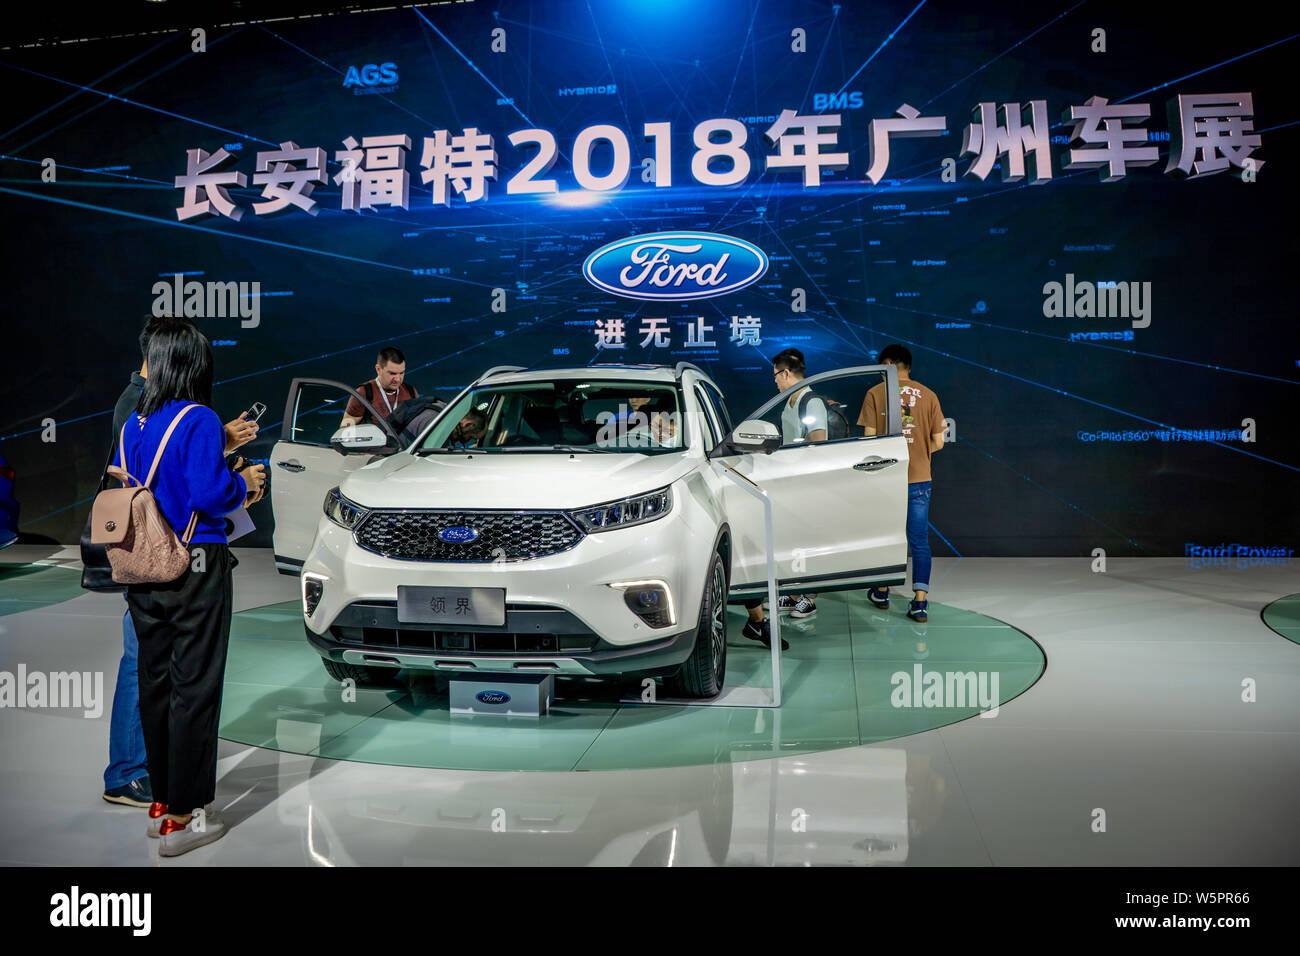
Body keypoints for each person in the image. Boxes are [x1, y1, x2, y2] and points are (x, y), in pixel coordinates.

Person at [119, 316, 265, 856]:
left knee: (155, 684)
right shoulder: (199, 417)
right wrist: (242, 485)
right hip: (196, 563)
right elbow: (209, 491)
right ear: (196, 365)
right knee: (195, 688)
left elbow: (133, 479)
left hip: (144, 567)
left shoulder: (135, 421)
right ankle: (186, 817)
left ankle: (161, 804)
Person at [858, 344, 945, 622]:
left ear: (888, 364)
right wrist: (918, 450)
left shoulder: (875, 393)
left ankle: (882, 590)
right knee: (919, 541)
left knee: (886, 537)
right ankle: (920, 602)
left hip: (886, 479)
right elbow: (939, 442)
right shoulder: (929, 395)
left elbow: (870, 440)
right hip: (919, 477)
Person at [769, 348, 822, 619]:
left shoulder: (810, 401)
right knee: (792, 540)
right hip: (791, 482)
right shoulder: (791, 401)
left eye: (776, 375)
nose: (775, 381)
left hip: (807, 483)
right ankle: (791, 593)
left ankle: (810, 597)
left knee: (808, 540)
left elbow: (818, 441)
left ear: (786, 373)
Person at [341, 346, 417, 428]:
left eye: (401, 373)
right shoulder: (363, 393)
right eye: (392, 373)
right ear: (378, 369)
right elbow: (345, 431)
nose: (398, 379)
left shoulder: (410, 391)